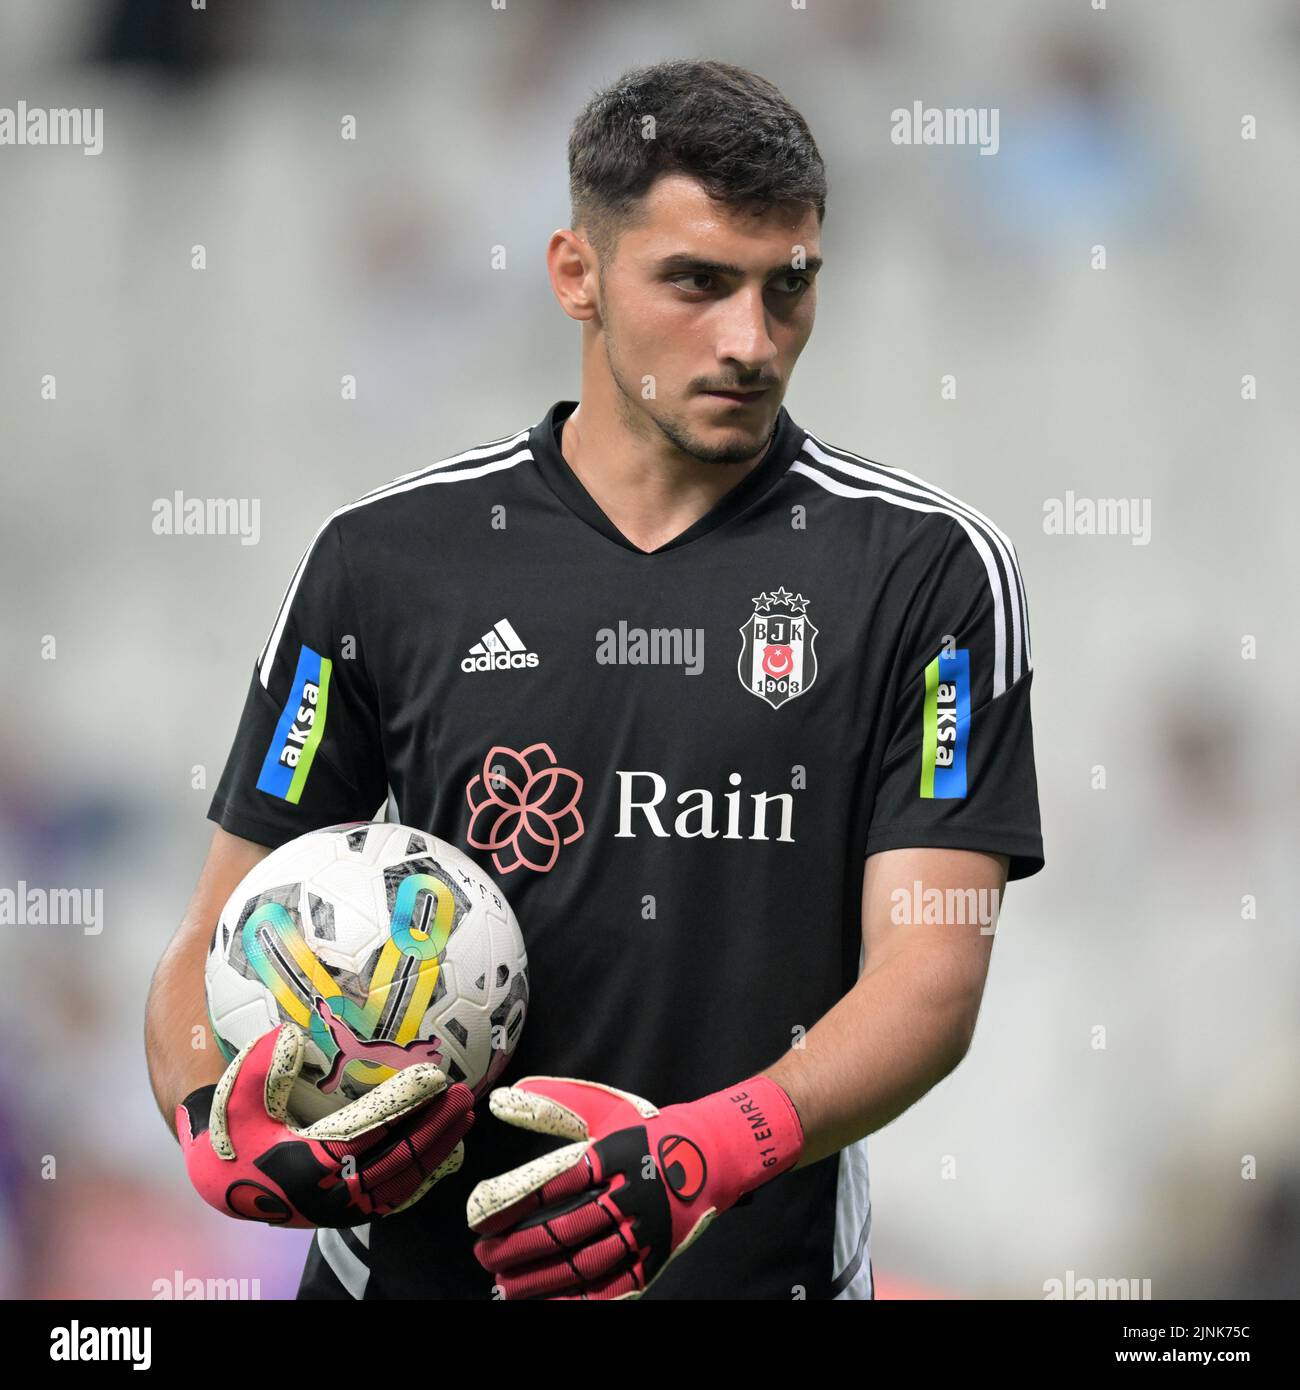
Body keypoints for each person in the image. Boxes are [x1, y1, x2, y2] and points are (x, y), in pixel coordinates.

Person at [145, 58, 1043, 1300]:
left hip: (743, 1276)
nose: (750, 338)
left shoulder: (926, 573)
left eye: (790, 286)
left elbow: (931, 978)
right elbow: (211, 942)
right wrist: (216, 1133)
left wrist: (701, 1156)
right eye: (696, 282)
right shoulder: (386, 561)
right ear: (577, 274)